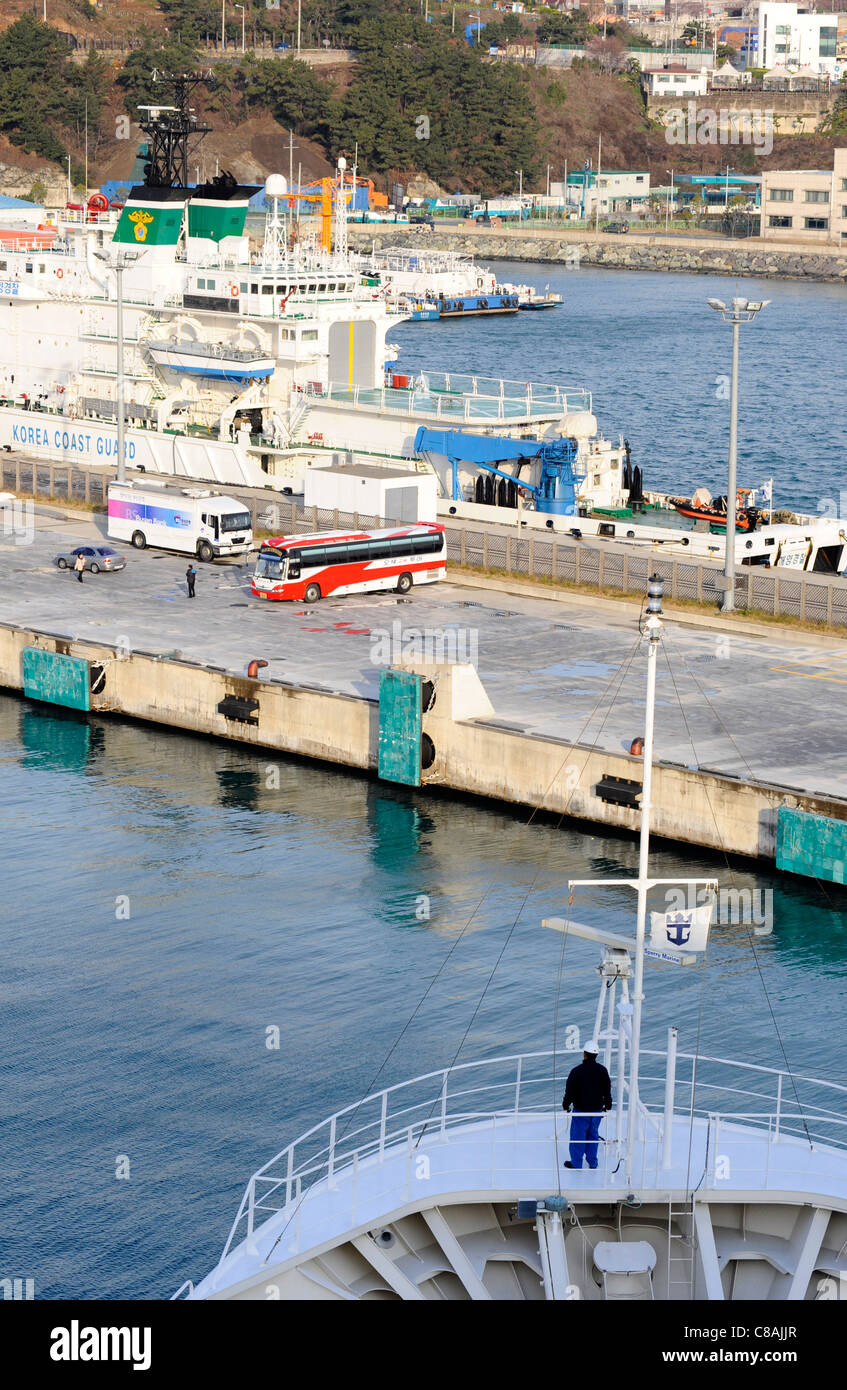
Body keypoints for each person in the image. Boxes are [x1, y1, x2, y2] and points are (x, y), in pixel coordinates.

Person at [562, 1040, 612, 1171]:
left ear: (584, 1054)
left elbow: (570, 1092)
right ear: (596, 1055)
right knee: (593, 1136)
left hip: (581, 1111)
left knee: (577, 1137)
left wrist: (565, 1106)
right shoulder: (602, 1071)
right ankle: (593, 1163)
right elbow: (607, 1091)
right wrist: (607, 1106)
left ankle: (577, 1163)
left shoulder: (576, 1071)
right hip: (596, 1111)